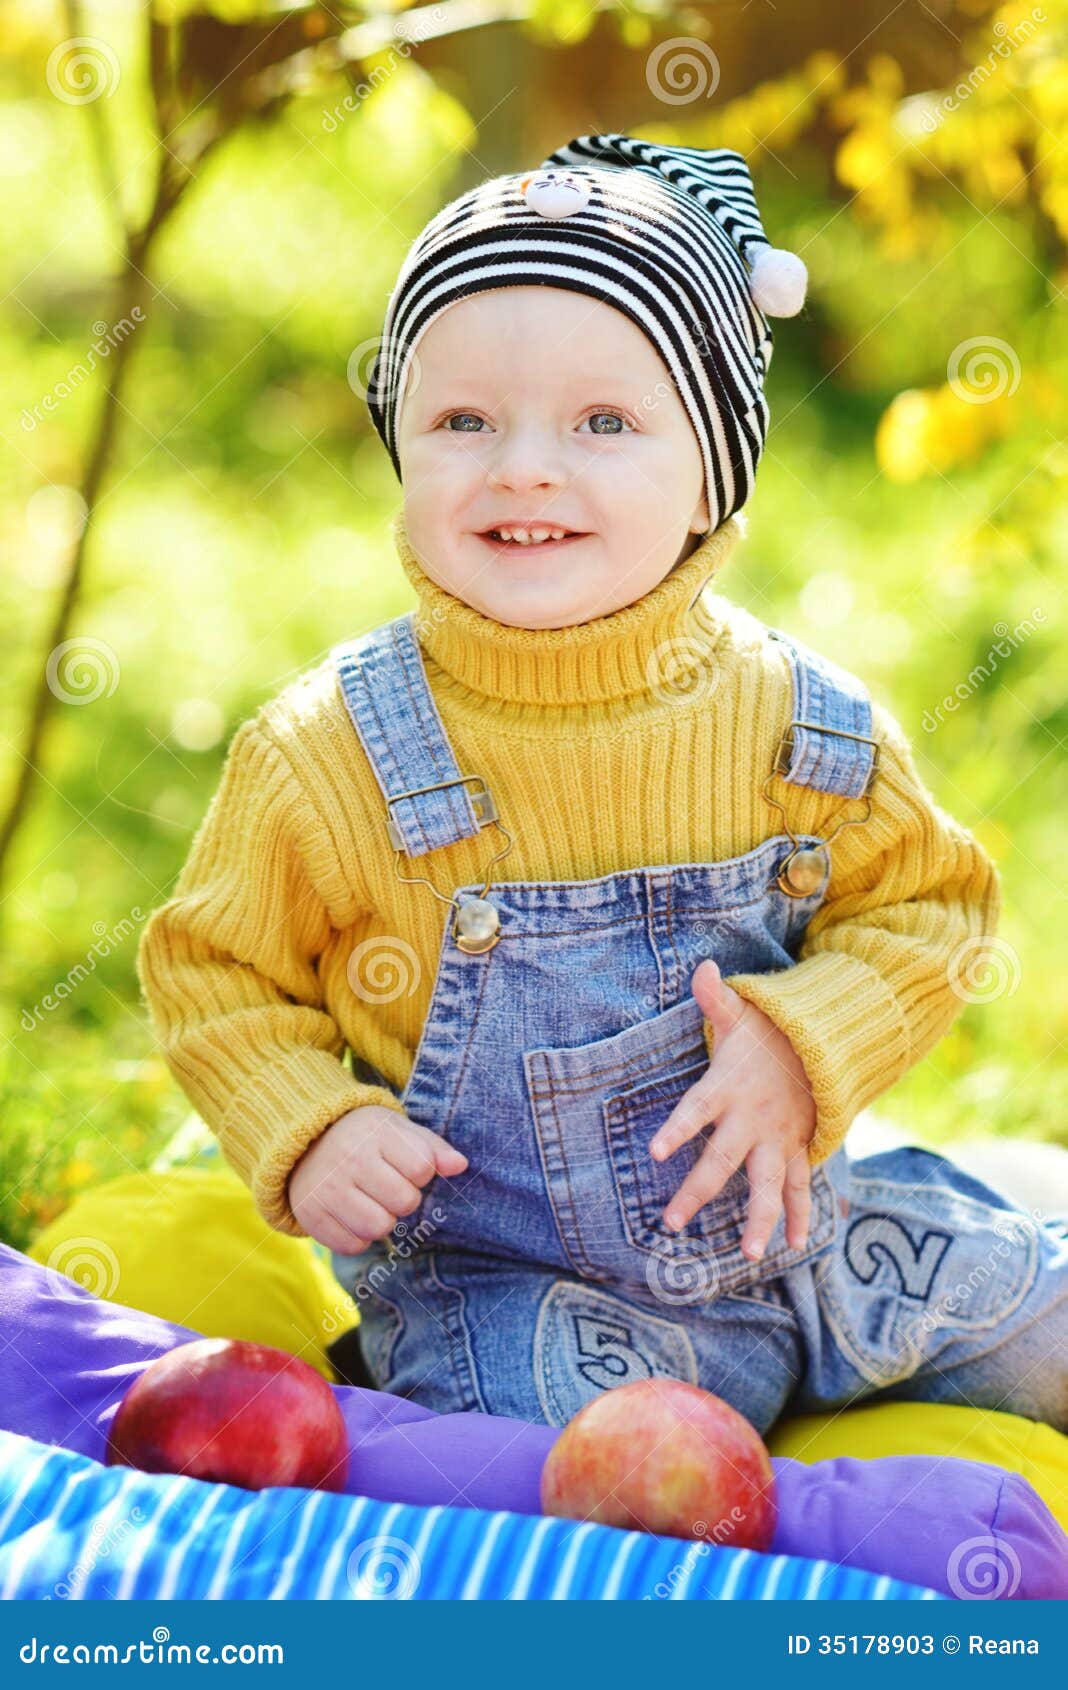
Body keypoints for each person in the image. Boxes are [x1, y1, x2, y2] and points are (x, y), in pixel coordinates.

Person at [137, 134, 1068, 1435]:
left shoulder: (800, 719)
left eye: (603, 422)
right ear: (399, 439)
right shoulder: (333, 749)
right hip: (515, 1290)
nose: (522, 465)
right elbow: (214, 968)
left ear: (711, 475)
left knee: (1052, 1327)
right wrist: (310, 1125)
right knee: (588, 1459)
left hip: (810, 1235)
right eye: (463, 419)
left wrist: (811, 1046)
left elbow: (932, 906)